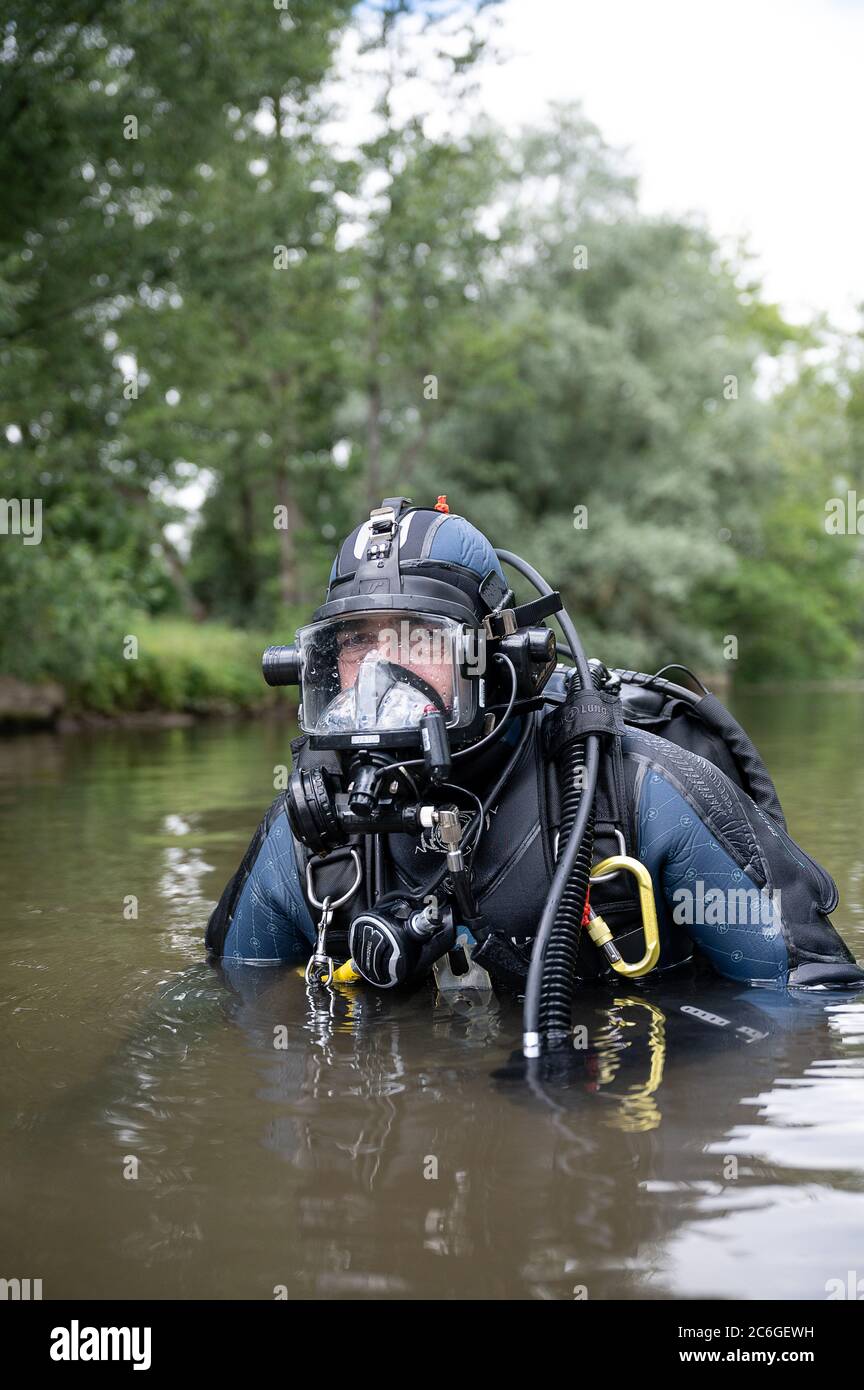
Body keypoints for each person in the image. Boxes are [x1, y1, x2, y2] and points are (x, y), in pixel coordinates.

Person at [205, 495, 863, 1024]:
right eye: (356, 645)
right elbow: (223, 1005)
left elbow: (811, 1001)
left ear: (497, 662)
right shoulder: (310, 833)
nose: (380, 676)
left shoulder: (637, 793)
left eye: (417, 641)